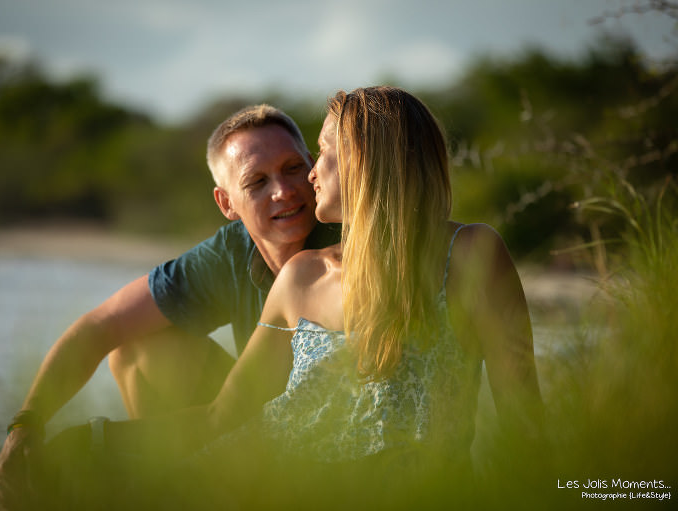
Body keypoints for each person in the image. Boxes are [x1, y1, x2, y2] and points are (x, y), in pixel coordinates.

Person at [35, 86, 543, 509]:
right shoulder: (301, 277)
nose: (310, 175)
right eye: (259, 181)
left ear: (364, 162)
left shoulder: (472, 255)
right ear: (228, 202)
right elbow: (222, 416)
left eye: (319, 155)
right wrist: (90, 439)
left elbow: (523, 423)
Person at [0, 104, 339, 509]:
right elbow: (101, 325)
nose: (283, 191)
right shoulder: (231, 252)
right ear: (226, 203)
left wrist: (95, 442)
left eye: (293, 168)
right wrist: (27, 423)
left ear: (313, 167)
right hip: (250, 413)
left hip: (326, 446)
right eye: (257, 181)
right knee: (138, 350)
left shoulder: (348, 245)